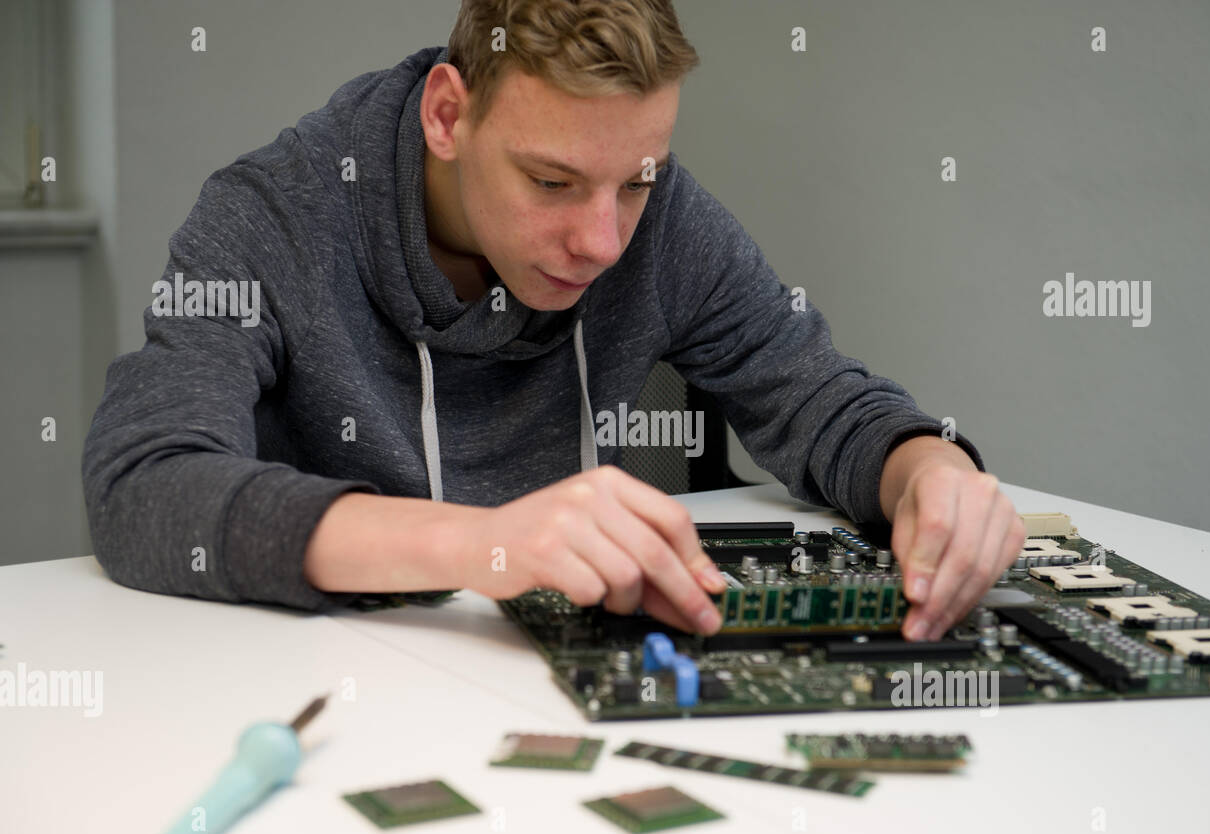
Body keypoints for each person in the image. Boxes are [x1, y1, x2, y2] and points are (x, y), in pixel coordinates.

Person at [82, 0, 1024, 642]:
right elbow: (143, 484)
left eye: (638, 181)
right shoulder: (272, 217)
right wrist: (482, 543)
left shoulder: (663, 223)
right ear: (449, 115)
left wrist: (928, 470)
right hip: (339, 690)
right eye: (551, 183)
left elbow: (821, 396)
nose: (604, 241)